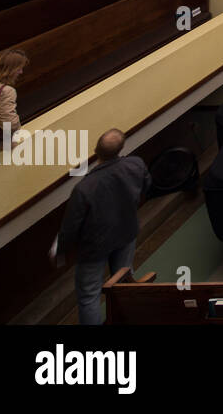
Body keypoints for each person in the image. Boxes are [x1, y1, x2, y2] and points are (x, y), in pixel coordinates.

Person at [52, 129, 151, 325]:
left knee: (89, 296)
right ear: (121, 148)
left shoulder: (84, 188)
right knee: (123, 283)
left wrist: (60, 251)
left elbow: (71, 227)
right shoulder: (136, 165)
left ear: (96, 150)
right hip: (126, 234)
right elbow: (147, 187)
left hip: (94, 247)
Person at [0, 49, 28, 144]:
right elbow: (9, 124)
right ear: (9, 70)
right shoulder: (6, 91)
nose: (21, 72)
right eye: (19, 68)